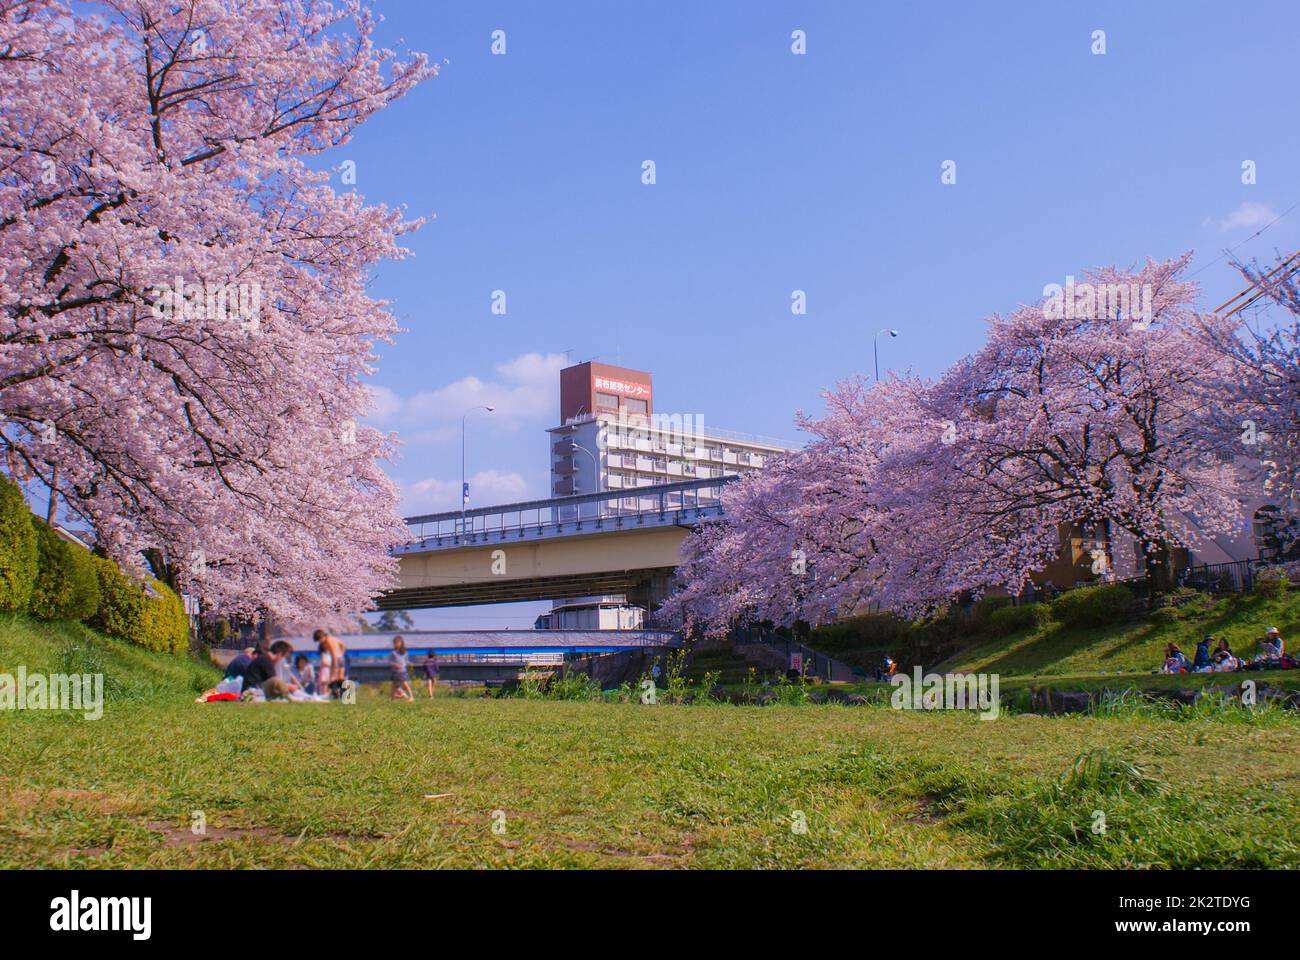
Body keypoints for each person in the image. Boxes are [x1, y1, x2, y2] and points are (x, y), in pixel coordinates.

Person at [314, 629, 348, 698]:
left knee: (333, 678)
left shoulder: (327, 640)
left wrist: (334, 664)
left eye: (319, 640)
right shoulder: (333, 638)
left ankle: (334, 694)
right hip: (341, 657)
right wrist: (341, 653)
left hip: (336, 659)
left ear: (321, 637)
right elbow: (343, 645)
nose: (320, 642)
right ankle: (346, 695)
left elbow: (333, 653)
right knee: (341, 677)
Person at [390, 636, 414, 702]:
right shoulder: (393, 653)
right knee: (393, 686)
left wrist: (409, 663)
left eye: (397, 642)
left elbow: (406, 661)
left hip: (402, 671)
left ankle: (411, 697)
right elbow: (391, 661)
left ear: (401, 643)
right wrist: (394, 665)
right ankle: (392, 699)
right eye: (394, 643)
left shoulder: (404, 652)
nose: (395, 644)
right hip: (395, 672)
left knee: (405, 684)